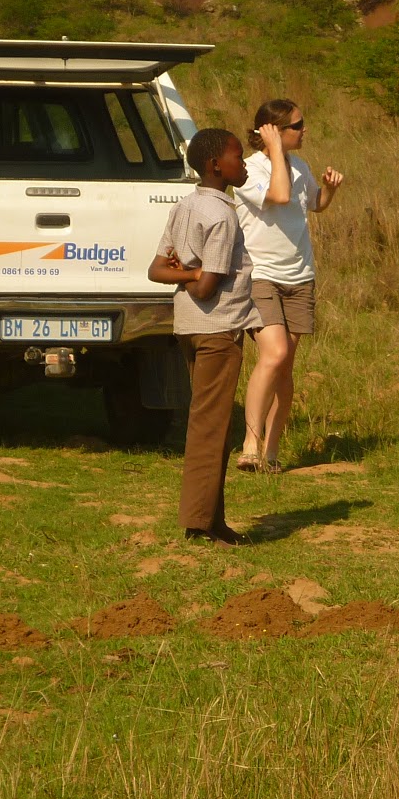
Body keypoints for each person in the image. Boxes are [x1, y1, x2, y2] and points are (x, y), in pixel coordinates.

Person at [147, 128, 258, 546]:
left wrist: (185, 270)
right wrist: (195, 274)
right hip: (218, 330)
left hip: (189, 327)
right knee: (211, 427)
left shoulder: (184, 206)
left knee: (210, 422)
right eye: (237, 157)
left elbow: (158, 270)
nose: (243, 163)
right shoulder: (222, 214)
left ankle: (213, 520)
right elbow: (206, 286)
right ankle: (199, 521)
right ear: (215, 165)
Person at [232, 100, 343, 474]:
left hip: (299, 277)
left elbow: (314, 205)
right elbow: (278, 196)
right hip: (261, 275)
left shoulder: (300, 167)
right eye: (297, 125)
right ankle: (250, 443)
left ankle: (272, 452)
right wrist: (276, 150)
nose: (304, 130)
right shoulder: (249, 170)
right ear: (274, 131)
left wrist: (328, 190)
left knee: (285, 366)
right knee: (274, 354)